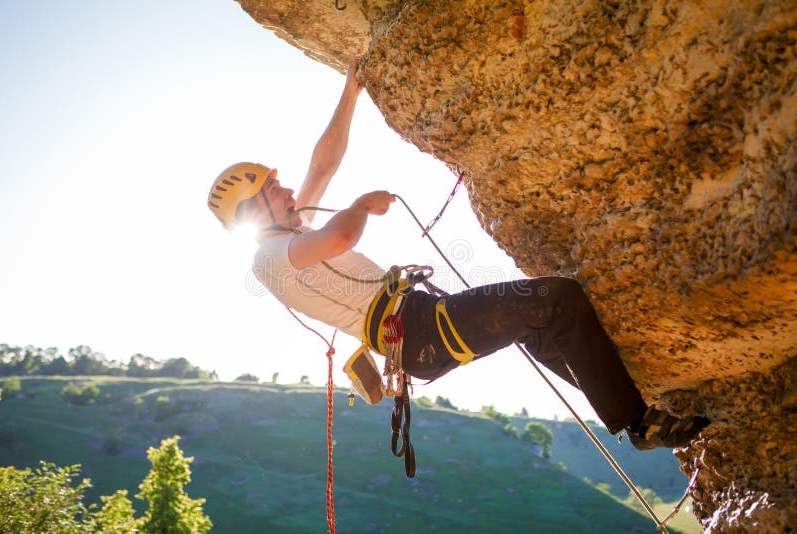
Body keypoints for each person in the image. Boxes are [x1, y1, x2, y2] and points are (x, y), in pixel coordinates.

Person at [207, 61, 709, 451]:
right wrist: (360, 205)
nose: (290, 189)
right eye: (274, 189)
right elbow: (339, 240)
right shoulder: (269, 258)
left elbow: (323, 163)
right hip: (418, 331)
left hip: (420, 327)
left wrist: (350, 90)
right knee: (555, 299)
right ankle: (637, 423)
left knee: (538, 320)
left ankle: (626, 409)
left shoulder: (291, 237)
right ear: (252, 209)